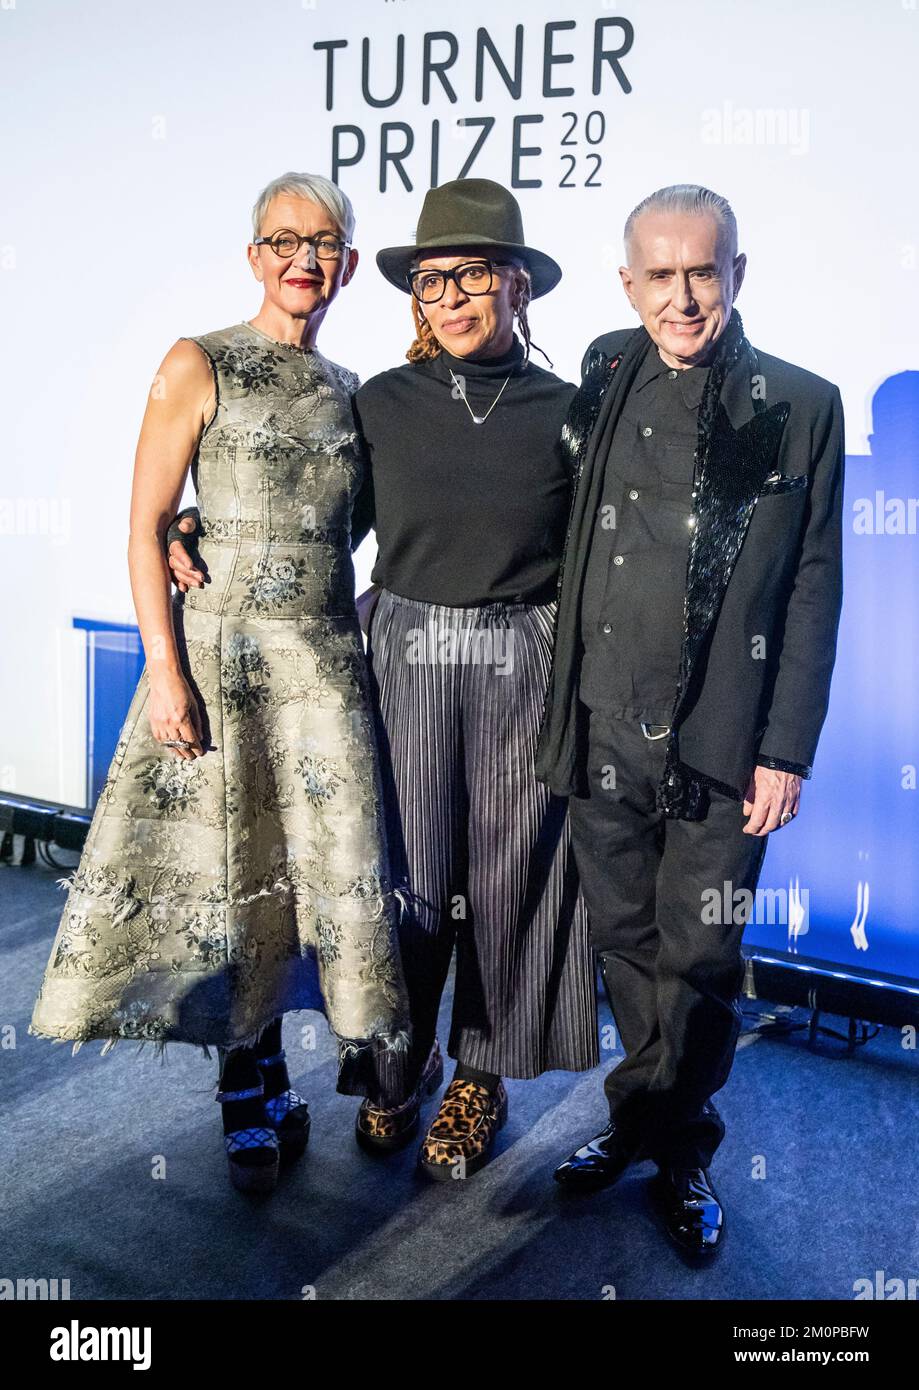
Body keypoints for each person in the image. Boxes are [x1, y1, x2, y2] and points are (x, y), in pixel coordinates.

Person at [169, 179, 600, 1181]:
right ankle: (396, 1069)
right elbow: (317, 519)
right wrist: (197, 528)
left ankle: (481, 1078)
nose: (450, 297)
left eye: (473, 275)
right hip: (403, 649)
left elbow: (600, 559)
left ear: (518, 284)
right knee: (405, 888)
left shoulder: (570, 414)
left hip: (519, 654)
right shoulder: (381, 403)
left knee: (507, 889)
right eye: (432, 280)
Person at [29, 172, 411, 1194]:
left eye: (324, 242)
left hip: (324, 672)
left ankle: (280, 1064)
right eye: (284, 239)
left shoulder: (350, 392)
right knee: (227, 881)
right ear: (253, 256)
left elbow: (350, 531)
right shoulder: (197, 361)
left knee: (296, 885)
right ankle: (244, 1084)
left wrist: (207, 530)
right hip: (219, 664)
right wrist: (166, 664)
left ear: (349, 263)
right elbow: (143, 523)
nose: (304, 257)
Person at [538, 184, 844, 1257]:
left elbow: (812, 586)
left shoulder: (799, 404)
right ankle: (640, 1121)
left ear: (736, 276)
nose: (681, 296)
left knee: (701, 959)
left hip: (719, 744)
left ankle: (679, 1146)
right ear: (627, 283)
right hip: (600, 725)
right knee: (623, 944)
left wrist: (784, 748)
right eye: (658, 275)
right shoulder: (603, 369)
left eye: (701, 272)